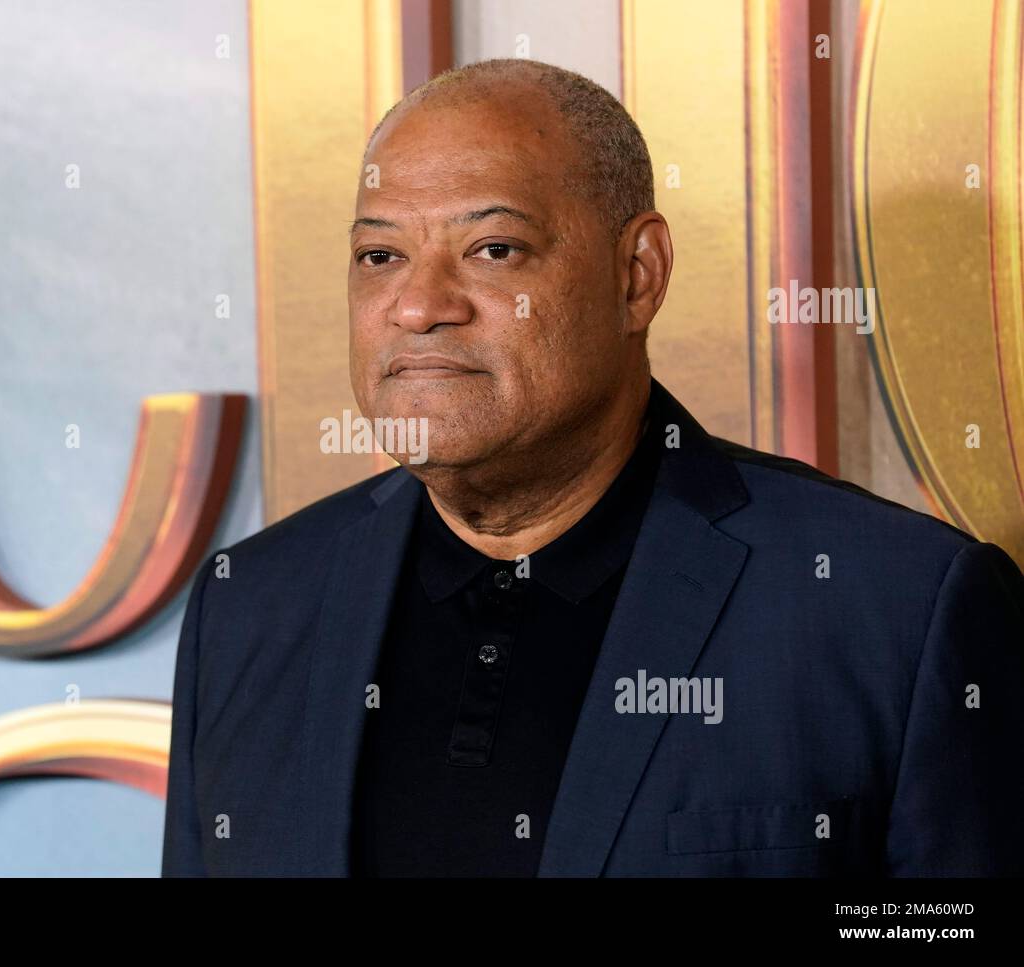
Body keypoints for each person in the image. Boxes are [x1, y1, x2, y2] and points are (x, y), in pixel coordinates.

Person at [162, 58, 1024, 876]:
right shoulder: (250, 602)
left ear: (636, 275)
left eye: (493, 249)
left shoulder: (895, 609)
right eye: (379, 256)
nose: (419, 304)